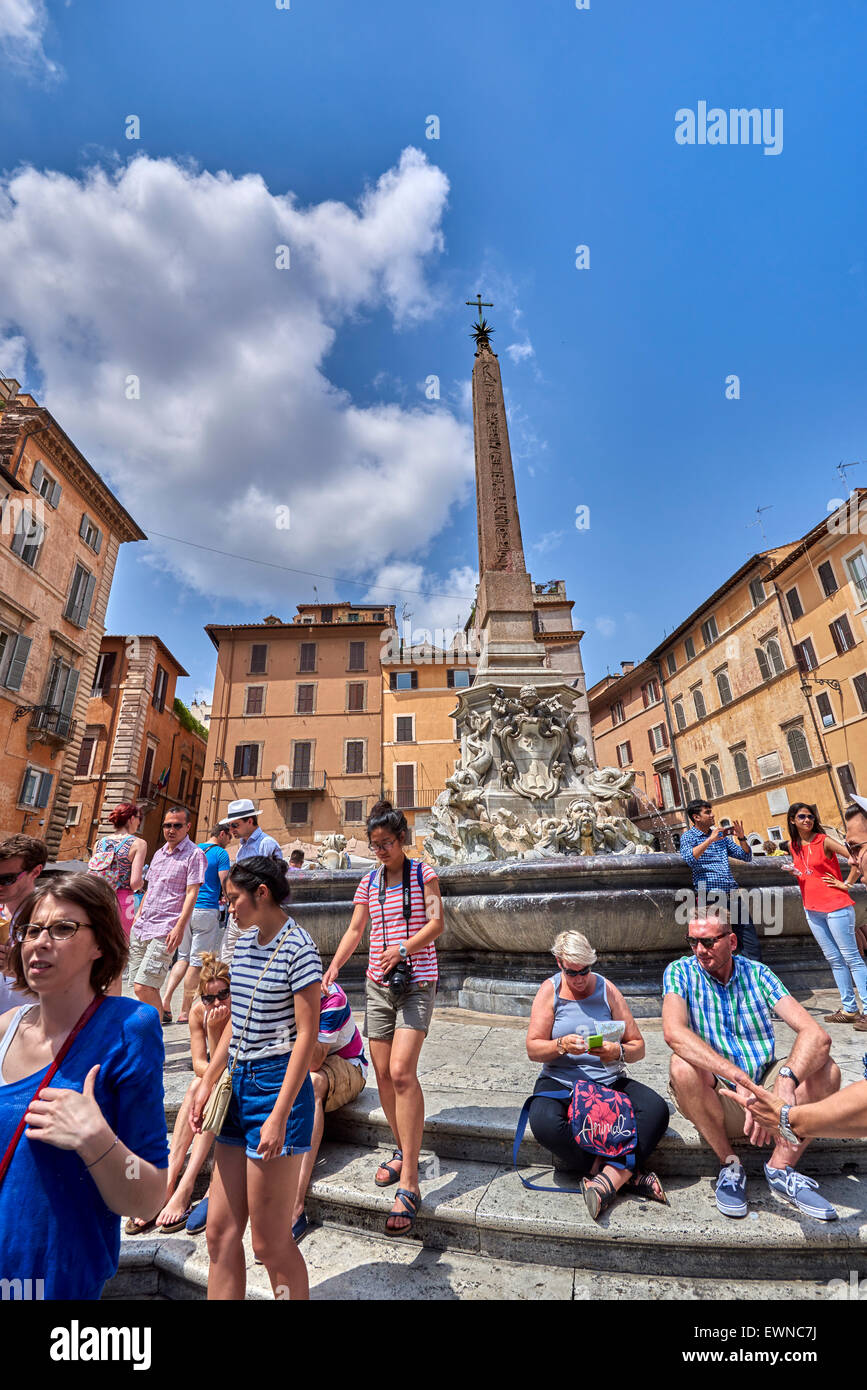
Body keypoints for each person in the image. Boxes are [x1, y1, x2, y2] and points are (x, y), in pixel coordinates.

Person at [0, 873, 168, 1299]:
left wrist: (96, 1139)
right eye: (32, 930)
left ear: (99, 944)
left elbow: (148, 1197)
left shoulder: (129, 1028)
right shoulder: (2, 1030)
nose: (40, 941)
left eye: (63, 928)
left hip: (53, 1283)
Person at [190, 856, 322, 1301]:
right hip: (237, 1082)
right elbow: (235, 1023)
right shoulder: (243, 943)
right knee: (219, 1234)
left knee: (268, 1243)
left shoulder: (299, 948)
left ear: (261, 894)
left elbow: (307, 1036)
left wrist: (279, 1115)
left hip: (275, 1085)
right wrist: (209, 1078)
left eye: (234, 900)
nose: (230, 910)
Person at [663, 908, 840, 1219]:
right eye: (693, 942)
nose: (700, 951)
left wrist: (785, 1081)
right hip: (719, 1094)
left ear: (732, 941)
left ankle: (781, 1168)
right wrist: (742, 1084)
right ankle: (729, 1164)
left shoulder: (758, 973)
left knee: (828, 1070)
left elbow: (816, 1034)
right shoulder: (680, 972)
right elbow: (673, 1033)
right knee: (681, 1065)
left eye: (709, 942)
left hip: (766, 1087)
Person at [323, 800, 443, 1236]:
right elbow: (356, 930)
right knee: (384, 1076)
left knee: (402, 1072)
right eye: (375, 845)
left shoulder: (422, 874)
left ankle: (410, 1178)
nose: (381, 851)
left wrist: (403, 949)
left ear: (402, 840)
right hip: (377, 985)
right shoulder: (368, 882)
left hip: (416, 981)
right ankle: (400, 1148)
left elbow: (437, 923)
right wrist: (334, 965)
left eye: (387, 844)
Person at [524, 930, 669, 1220]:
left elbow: (638, 1046)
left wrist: (617, 1052)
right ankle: (623, 1171)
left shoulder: (607, 989)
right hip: (561, 1079)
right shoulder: (549, 991)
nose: (579, 979)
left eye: (585, 970)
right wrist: (560, 1045)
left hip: (607, 1078)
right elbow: (532, 1048)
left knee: (657, 1110)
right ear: (558, 963)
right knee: (544, 1123)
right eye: (571, 972)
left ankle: (605, 1181)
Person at [130, 953, 232, 1235]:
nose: (218, 1003)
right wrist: (210, 1029)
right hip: (214, 1082)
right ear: (200, 997)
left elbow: (225, 1064)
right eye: (209, 998)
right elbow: (200, 1063)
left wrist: (214, 1032)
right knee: (197, 1085)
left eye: (223, 994)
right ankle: (170, 1176)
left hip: (238, 1079)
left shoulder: (239, 1009)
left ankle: (184, 1187)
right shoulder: (200, 1012)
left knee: (204, 1086)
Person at [291, 978, 368, 1241]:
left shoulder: (331, 998)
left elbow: (313, 1062)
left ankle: (296, 1203)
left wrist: (304, 1009)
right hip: (301, 1060)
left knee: (311, 1084)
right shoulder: (280, 992)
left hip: (349, 1065)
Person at [784, 802, 867, 1030]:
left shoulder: (824, 840)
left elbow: (855, 857)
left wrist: (847, 883)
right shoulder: (794, 846)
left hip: (836, 906)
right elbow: (808, 873)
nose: (807, 820)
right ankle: (850, 1009)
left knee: (852, 958)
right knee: (834, 960)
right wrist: (796, 872)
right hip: (812, 908)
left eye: (810, 816)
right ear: (792, 820)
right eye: (802, 816)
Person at [128, 807, 207, 1019]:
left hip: (166, 928)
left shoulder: (195, 854)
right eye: (167, 825)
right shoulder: (159, 854)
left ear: (188, 827)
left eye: (177, 825)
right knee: (140, 987)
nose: (171, 830)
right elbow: (150, 887)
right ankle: (151, 1031)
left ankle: (155, 1038)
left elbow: (192, 894)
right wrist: (138, 916)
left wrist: (180, 928)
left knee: (142, 986)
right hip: (143, 925)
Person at [161, 825, 231, 1025]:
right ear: (222, 834)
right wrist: (229, 898)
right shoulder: (221, 853)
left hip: (186, 909)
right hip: (206, 910)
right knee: (197, 961)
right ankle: (184, 1010)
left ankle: (165, 1001)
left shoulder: (192, 849)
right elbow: (224, 880)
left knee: (181, 958)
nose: (229, 841)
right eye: (228, 837)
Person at [679, 799, 762, 960]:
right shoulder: (689, 837)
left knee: (749, 938)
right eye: (707, 812)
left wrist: (742, 837)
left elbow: (745, 856)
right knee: (714, 940)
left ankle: (753, 976)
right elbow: (689, 858)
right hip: (709, 894)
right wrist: (710, 840)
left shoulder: (722, 836)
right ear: (696, 817)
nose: (712, 815)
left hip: (731, 892)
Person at [219, 798, 284, 967]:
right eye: (230, 826)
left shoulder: (267, 844)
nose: (231, 830)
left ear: (250, 821)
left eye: (235, 825)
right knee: (225, 963)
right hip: (237, 914)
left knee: (252, 962)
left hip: (256, 913)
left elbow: (276, 880)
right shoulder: (242, 847)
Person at [0, 835, 48, 1014]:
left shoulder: (53, 918)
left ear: (35, 872)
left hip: (28, 1023)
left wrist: (19, 972)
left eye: (6, 879)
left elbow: (72, 985)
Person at [88, 802, 147, 942]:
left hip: (97, 899)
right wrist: (142, 883)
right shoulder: (138, 843)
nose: (139, 823)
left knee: (96, 944)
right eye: (139, 818)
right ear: (131, 819)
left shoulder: (100, 843)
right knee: (118, 949)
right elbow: (135, 883)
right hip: (122, 900)